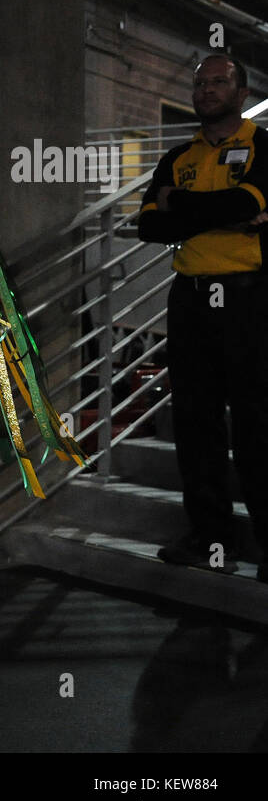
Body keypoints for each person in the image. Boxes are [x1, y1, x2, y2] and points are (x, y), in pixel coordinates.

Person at [138, 53, 268, 583]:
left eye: (219, 82)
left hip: (250, 299)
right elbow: (148, 224)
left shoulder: (266, 146)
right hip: (190, 300)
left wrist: (180, 206)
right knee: (196, 423)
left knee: (260, 424)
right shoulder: (177, 156)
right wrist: (230, 211)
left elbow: (250, 200)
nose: (207, 90)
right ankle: (210, 537)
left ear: (242, 93)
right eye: (200, 83)